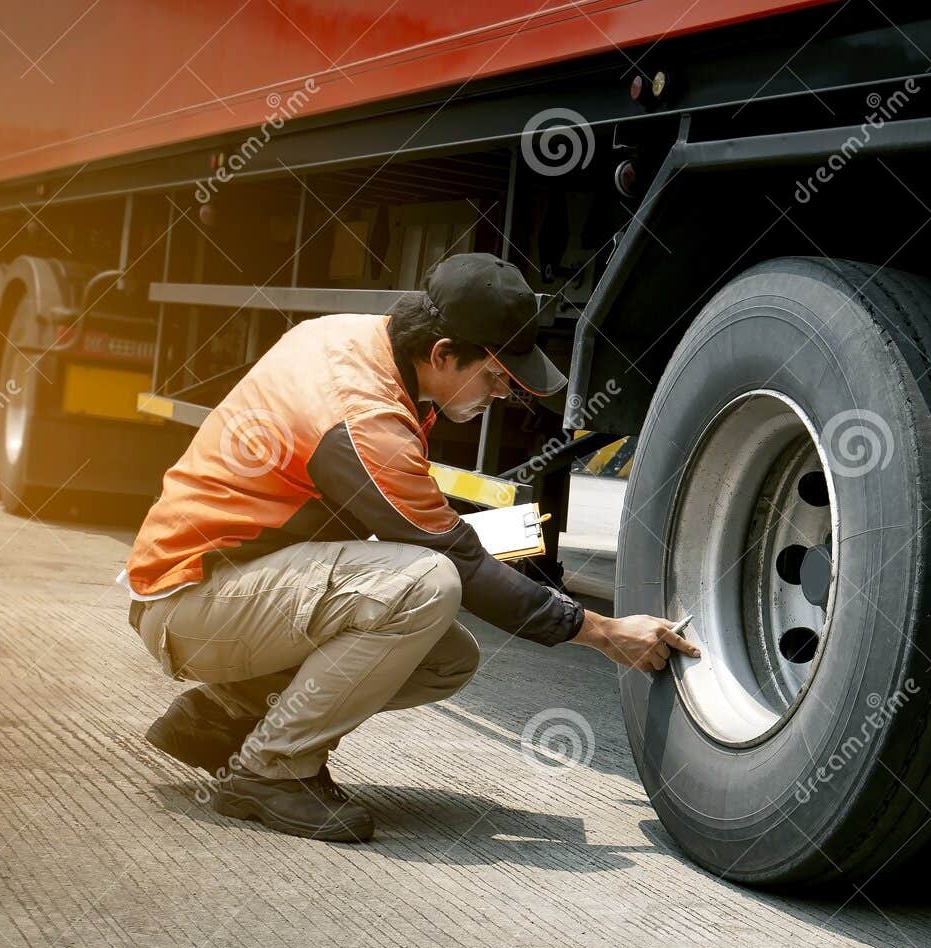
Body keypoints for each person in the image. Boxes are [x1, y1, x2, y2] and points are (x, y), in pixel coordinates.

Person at [120, 252, 697, 843]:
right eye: (497, 375)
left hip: (230, 585)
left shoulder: (351, 340)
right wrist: (602, 632)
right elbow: (459, 563)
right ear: (443, 353)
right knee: (424, 585)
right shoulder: (362, 417)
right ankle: (270, 772)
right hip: (190, 601)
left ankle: (223, 716)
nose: (504, 393)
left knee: (447, 657)